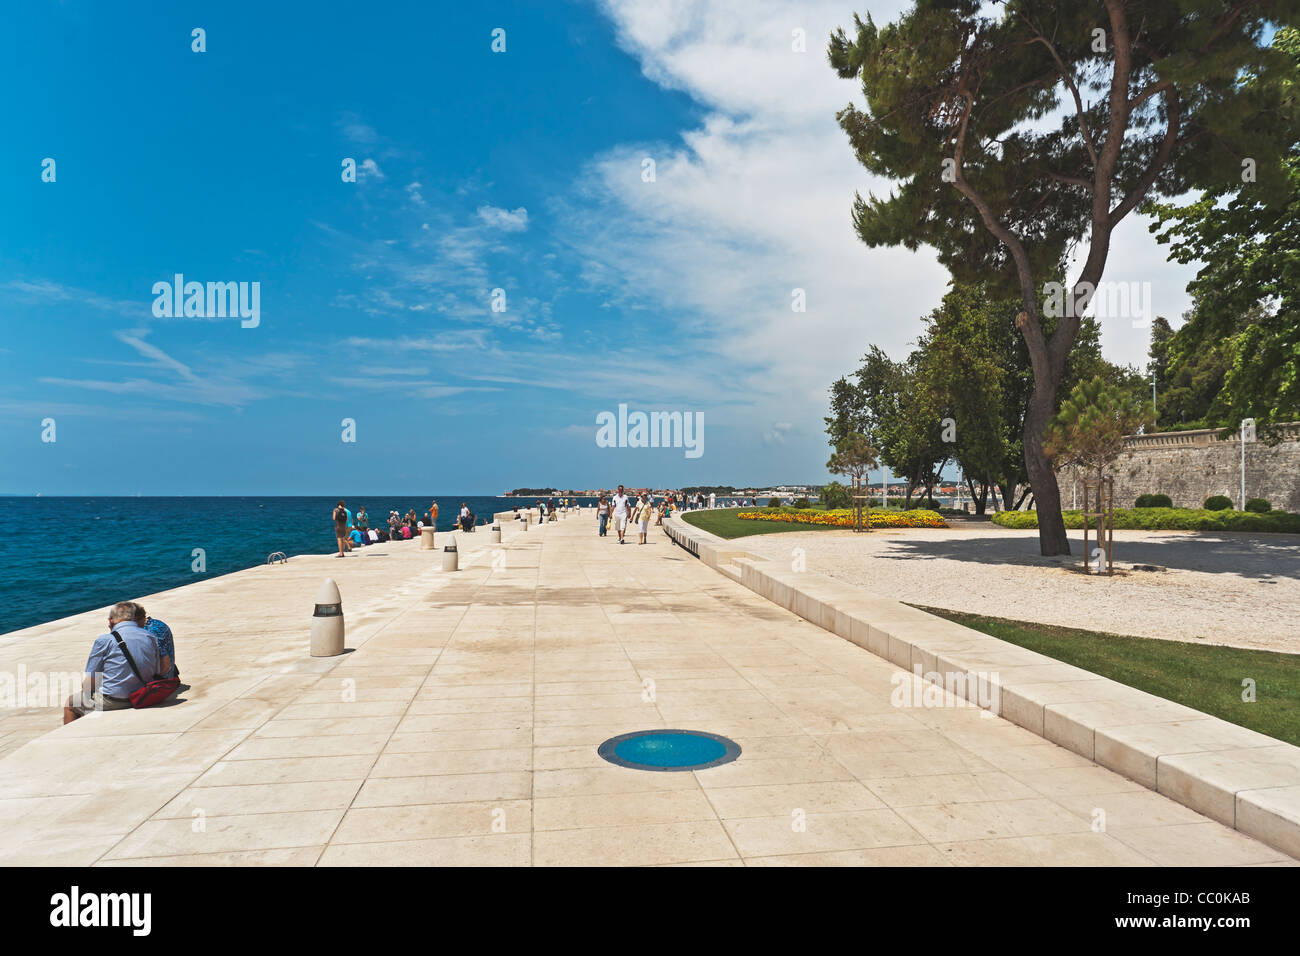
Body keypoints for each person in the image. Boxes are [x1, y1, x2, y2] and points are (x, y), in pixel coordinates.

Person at [64, 601, 162, 723]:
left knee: (71, 703)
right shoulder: (150, 636)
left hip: (116, 699)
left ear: (110, 621)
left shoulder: (105, 640)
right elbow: (157, 670)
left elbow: (89, 683)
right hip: (144, 695)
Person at [134, 605, 179, 683]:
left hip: (162, 680)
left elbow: (165, 664)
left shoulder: (149, 634)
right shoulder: (156, 623)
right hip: (170, 674)